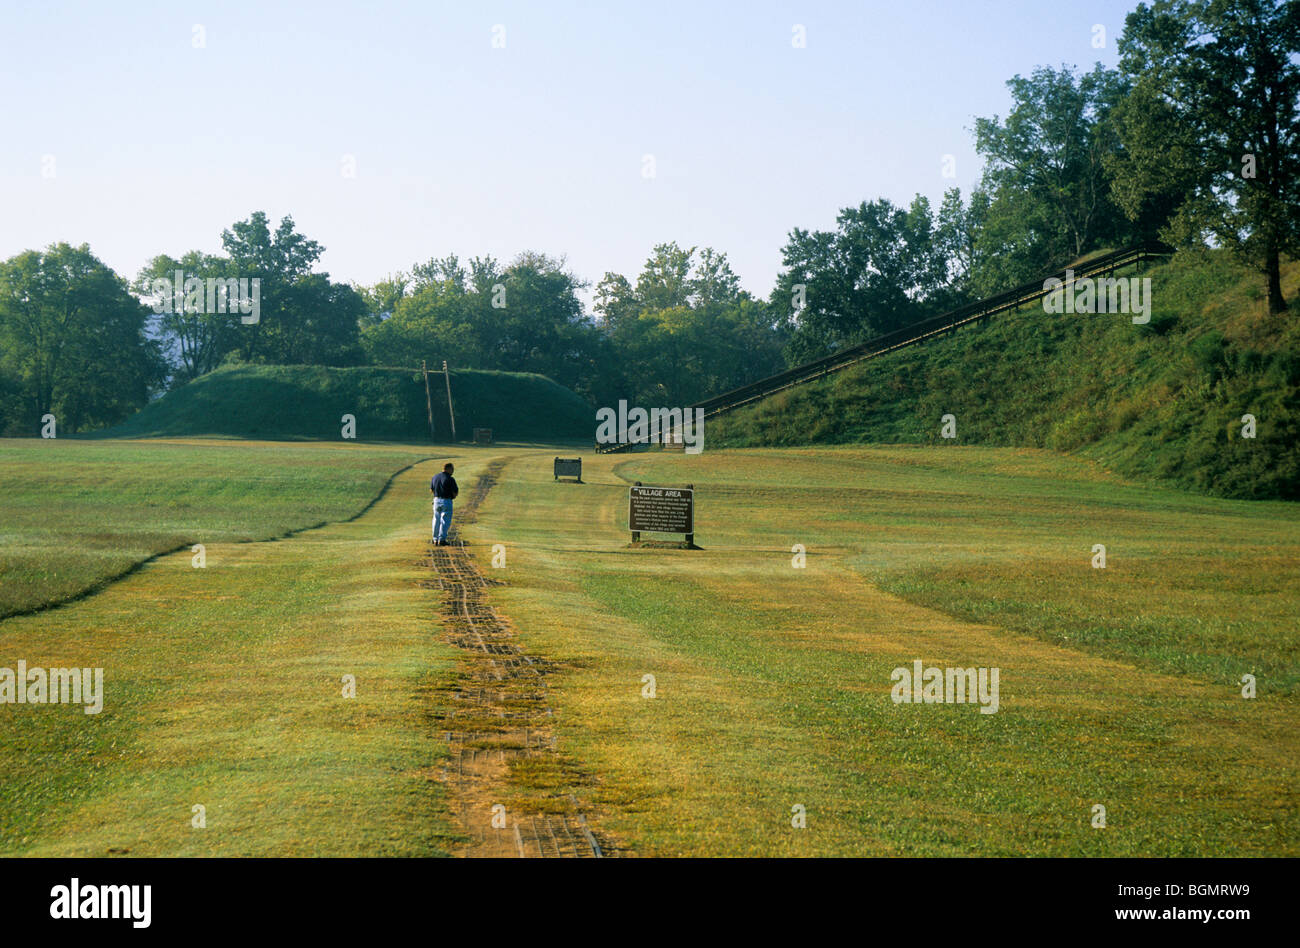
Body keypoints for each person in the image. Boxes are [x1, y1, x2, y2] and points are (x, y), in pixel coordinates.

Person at [430, 462, 459, 546]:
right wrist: (453, 497)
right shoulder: (450, 479)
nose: (453, 471)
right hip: (446, 501)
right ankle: (442, 539)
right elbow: (455, 492)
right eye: (452, 469)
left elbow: (431, 490)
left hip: (436, 500)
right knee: (445, 520)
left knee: (436, 519)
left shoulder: (435, 477)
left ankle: (435, 539)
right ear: (448, 469)